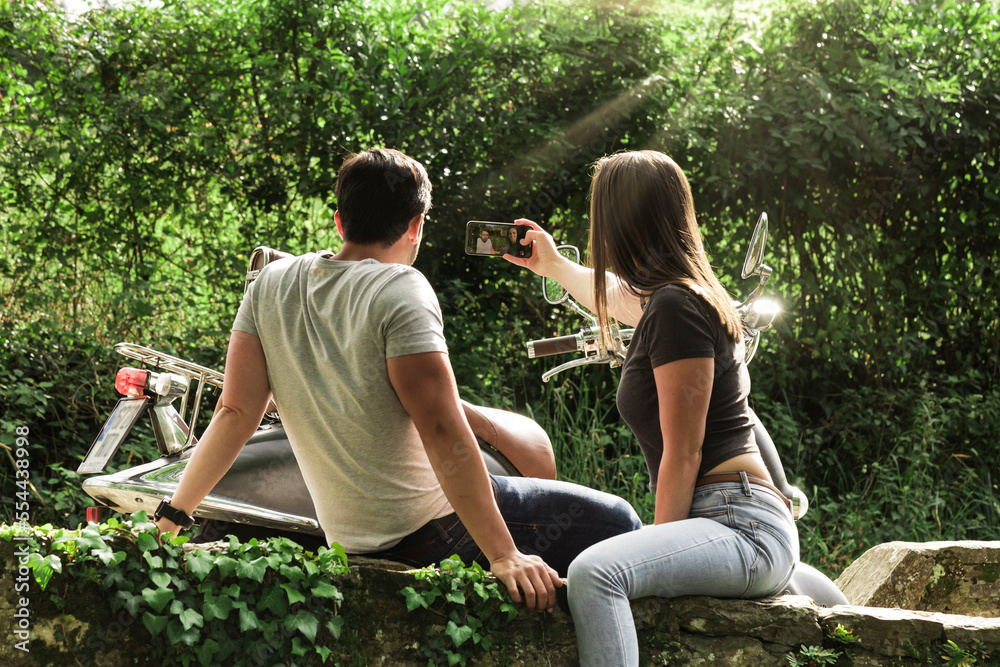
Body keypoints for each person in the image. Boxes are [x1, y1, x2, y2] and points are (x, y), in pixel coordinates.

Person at [153, 148, 641, 613]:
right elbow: (442, 429)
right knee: (619, 522)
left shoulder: (270, 284)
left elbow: (235, 412)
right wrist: (504, 555)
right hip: (431, 531)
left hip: (351, 539)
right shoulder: (400, 289)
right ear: (415, 225)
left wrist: (173, 516)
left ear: (340, 220)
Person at [505, 150, 798, 662]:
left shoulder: (676, 306)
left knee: (595, 573)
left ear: (621, 221)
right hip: (726, 515)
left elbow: (685, 452)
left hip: (740, 523)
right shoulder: (677, 297)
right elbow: (614, 295)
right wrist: (551, 264)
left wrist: (659, 545)